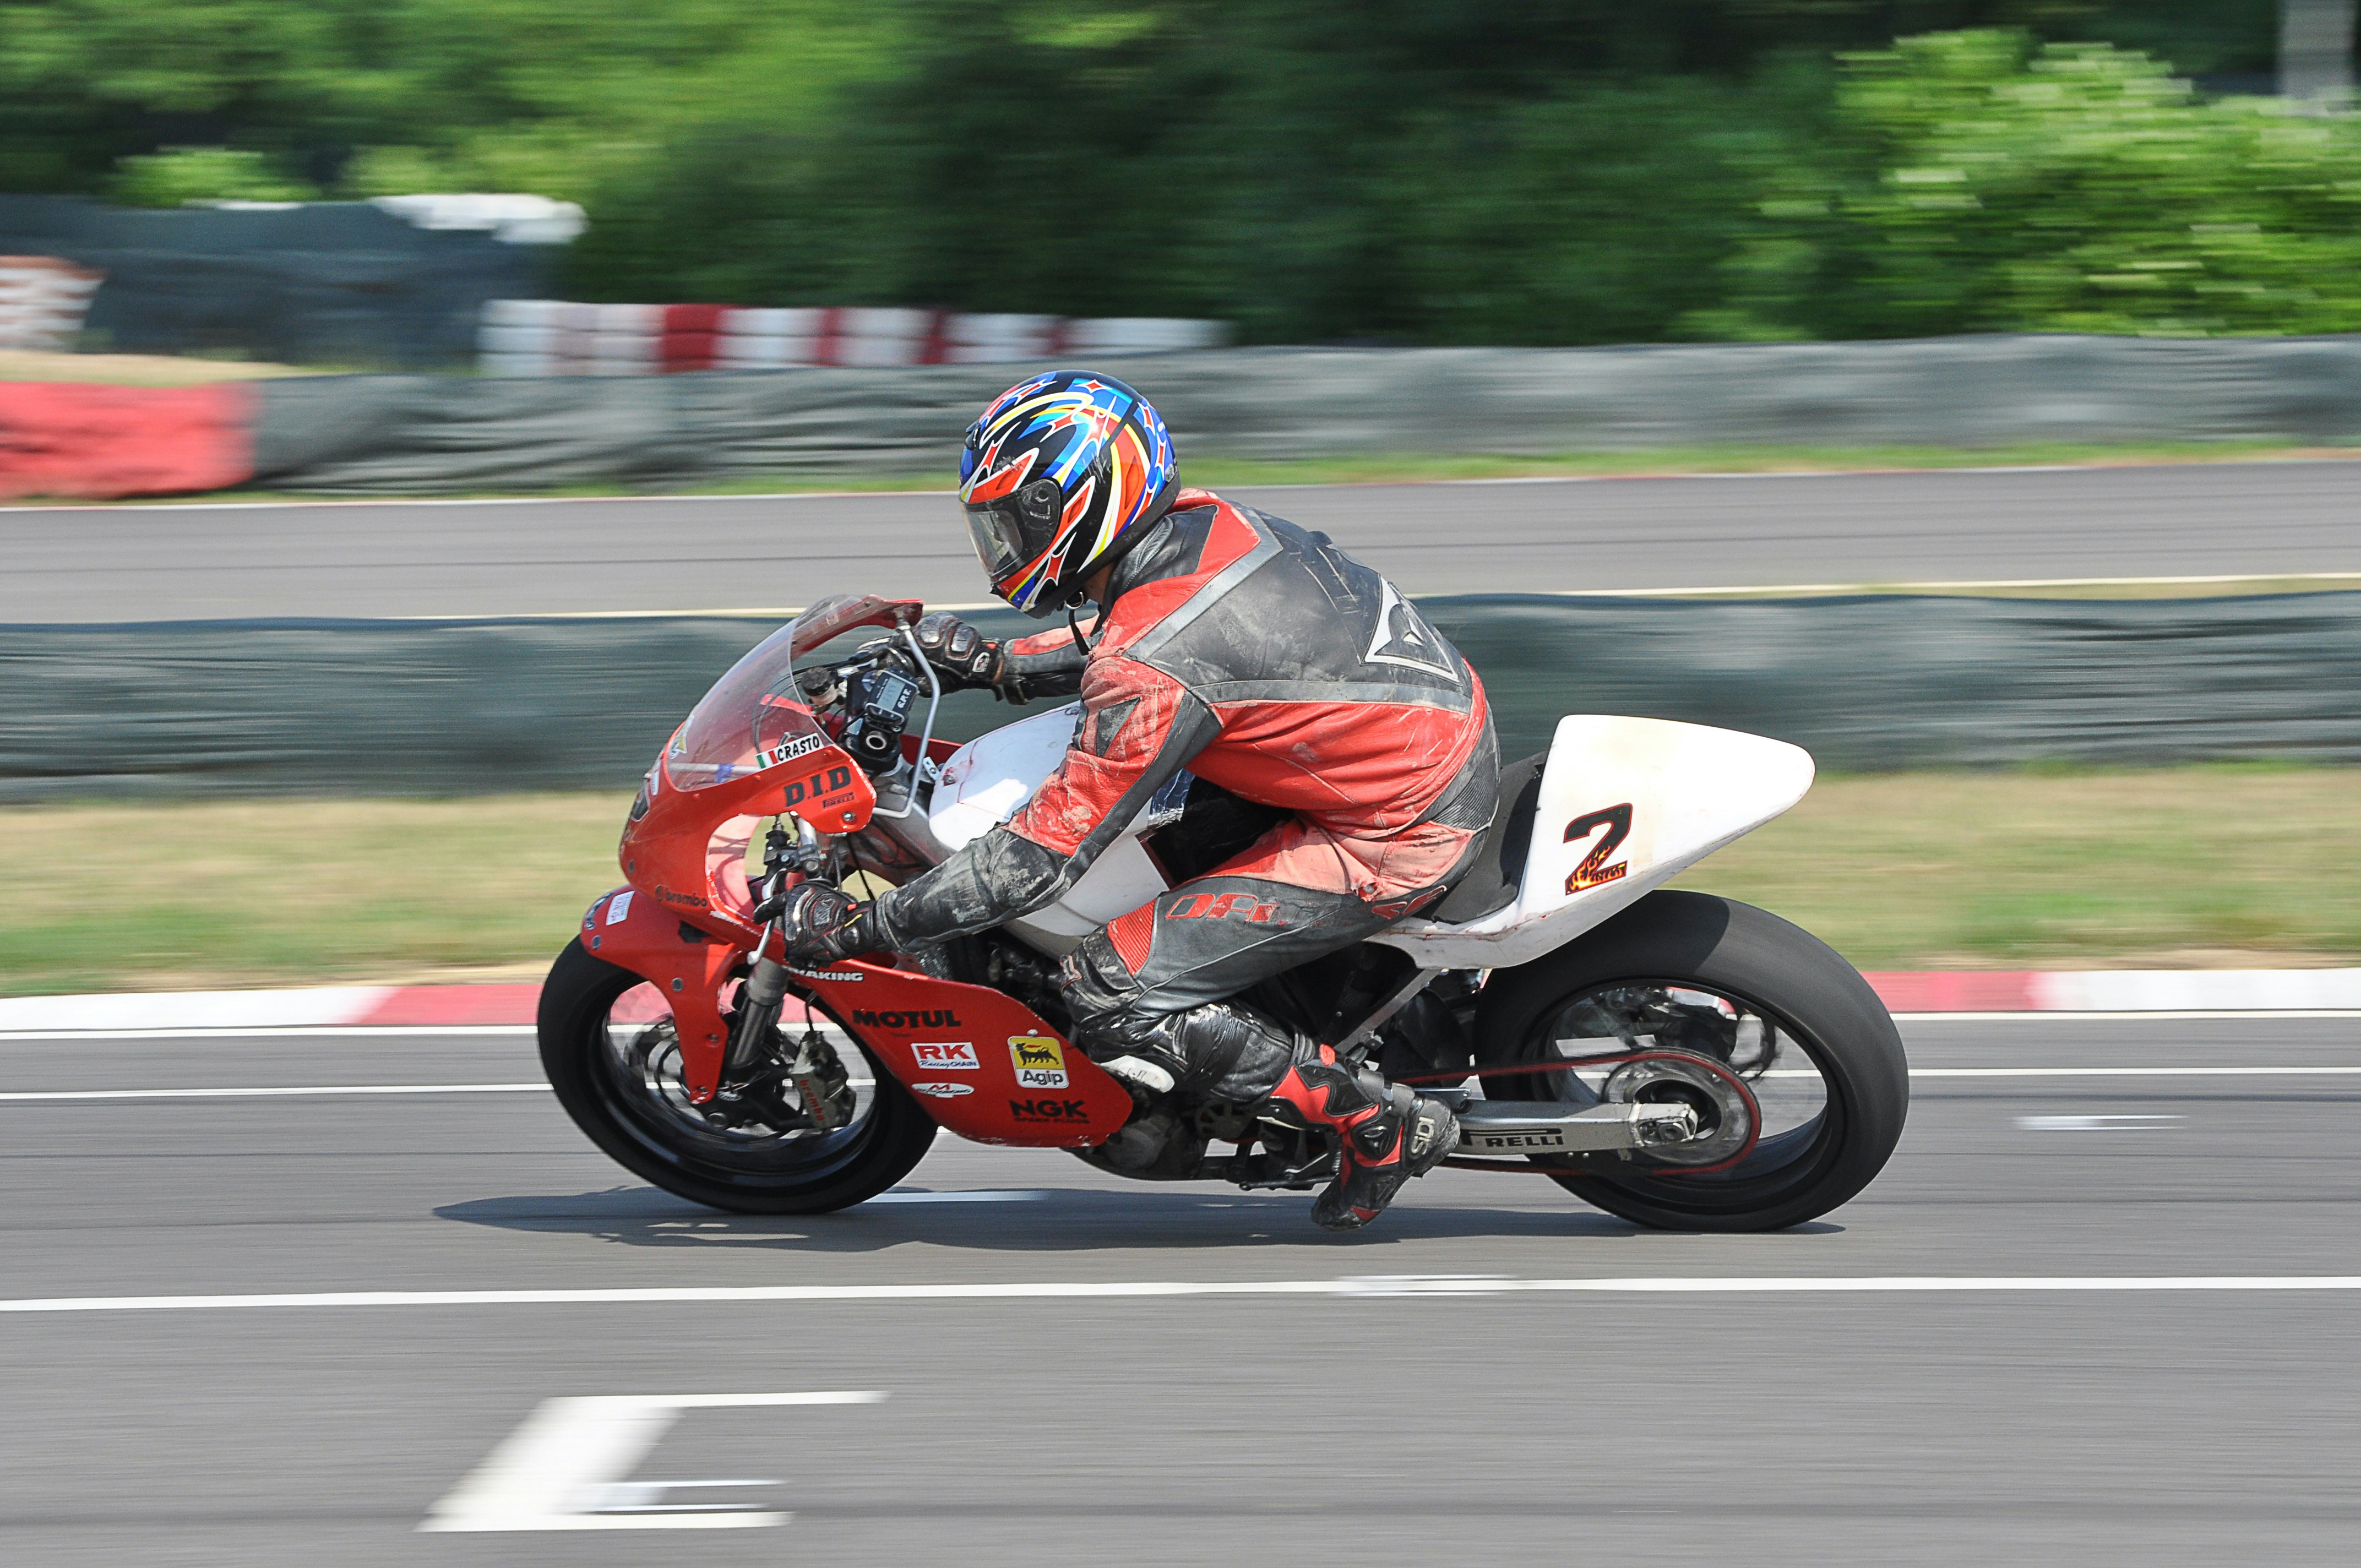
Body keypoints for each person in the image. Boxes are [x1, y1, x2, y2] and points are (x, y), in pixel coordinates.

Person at [778, 369, 1498, 1229]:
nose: (1000, 544)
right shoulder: (1208, 523)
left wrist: (862, 932)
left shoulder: (1148, 668)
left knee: (1107, 984)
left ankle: (1369, 1123)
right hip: (1409, 745)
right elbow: (1182, 645)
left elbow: (1028, 866)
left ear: (1073, 504)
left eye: (1011, 522)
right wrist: (1002, 666)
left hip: (1395, 827)